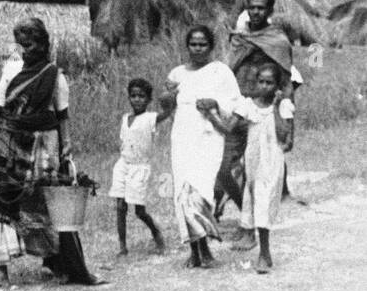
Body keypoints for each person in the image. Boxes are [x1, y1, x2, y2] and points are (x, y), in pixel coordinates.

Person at [0, 17, 105, 286]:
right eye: (22, 45)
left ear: (44, 44)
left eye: (31, 44)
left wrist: (66, 148)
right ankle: (1, 266)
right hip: (11, 144)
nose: (26, 50)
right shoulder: (11, 70)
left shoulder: (54, 75)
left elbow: (62, 114)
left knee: (51, 205)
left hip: (45, 145)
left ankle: (56, 261)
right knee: (2, 199)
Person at [160, 24, 242, 269]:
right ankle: (196, 250)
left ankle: (204, 249)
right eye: (193, 44)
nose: (197, 49)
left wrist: (214, 101)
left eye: (202, 45)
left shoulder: (220, 72)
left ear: (211, 47)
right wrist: (167, 96)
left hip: (208, 139)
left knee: (201, 190)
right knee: (183, 192)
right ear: (187, 46)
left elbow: (234, 102)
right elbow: (166, 108)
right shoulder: (176, 74)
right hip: (183, 138)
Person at [216, 0, 294, 216]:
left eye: (261, 8)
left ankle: (249, 221)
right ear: (247, 10)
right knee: (222, 169)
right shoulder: (239, 38)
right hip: (238, 108)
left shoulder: (277, 41)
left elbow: (286, 82)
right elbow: (226, 71)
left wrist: (289, 127)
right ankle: (244, 211)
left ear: (269, 11)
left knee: (255, 171)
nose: (256, 11)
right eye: (252, 7)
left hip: (263, 112)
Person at [212, 62, 293, 272]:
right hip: (253, 160)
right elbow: (227, 128)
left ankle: (264, 253)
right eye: (261, 81)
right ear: (256, 82)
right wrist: (211, 114)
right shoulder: (247, 104)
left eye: (269, 82)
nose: (264, 86)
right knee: (253, 199)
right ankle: (252, 237)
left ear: (277, 86)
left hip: (272, 160)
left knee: (264, 201)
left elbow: (285, 138)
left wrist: (275, 107)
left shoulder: (283, 106)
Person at [110, 78, 167, 256]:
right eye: (133, 96)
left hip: (139, 167)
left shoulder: (151, 118)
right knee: (120, 206)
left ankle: (156, 232)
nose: (137, 99)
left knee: (139, 211)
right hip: (123, 164)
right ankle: (122, 246)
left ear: (149, 99)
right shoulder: (125, 118)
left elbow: (167, 112)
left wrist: (170, 97)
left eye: (141, 96)